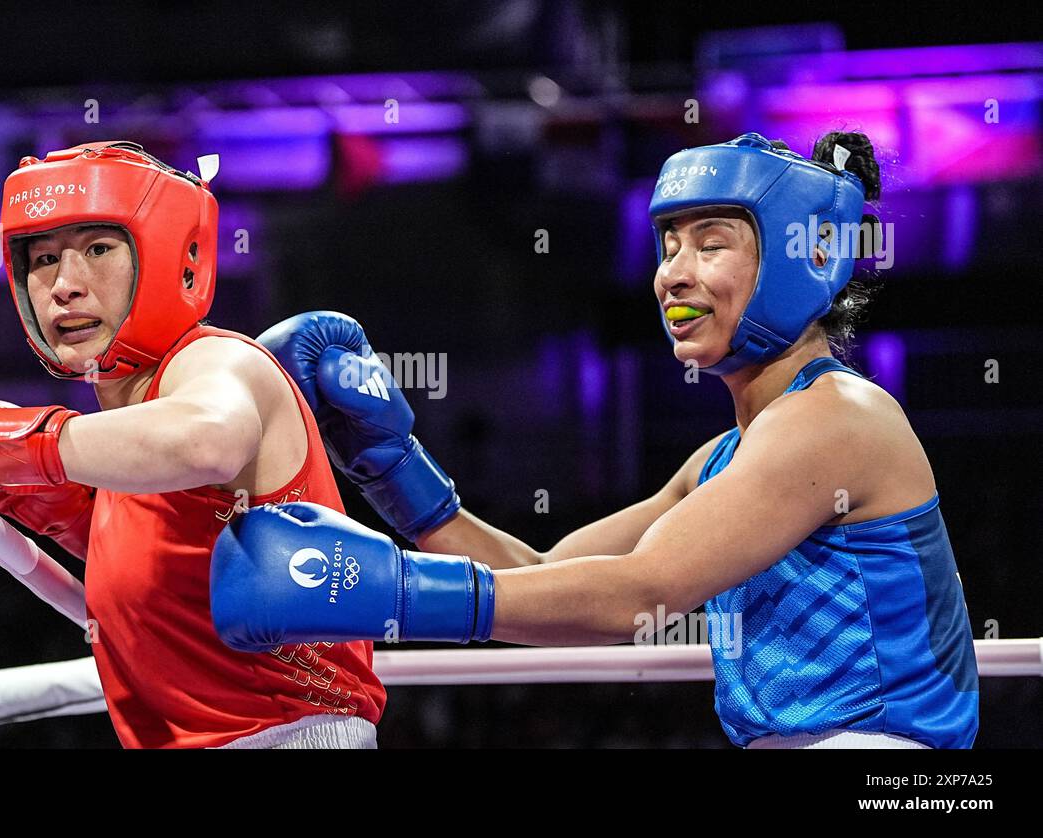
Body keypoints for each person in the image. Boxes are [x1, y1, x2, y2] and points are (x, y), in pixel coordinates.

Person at [213, 132, 979, 749]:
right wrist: (391, 467)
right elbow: (541, 576)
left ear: (807, 257)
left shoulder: (838, 417)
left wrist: (386, 594)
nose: (673, 274)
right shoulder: (721, 461)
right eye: (669, 244)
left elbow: (639, 596)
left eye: (710, 244)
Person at [0, 140, 386, 748]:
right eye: (42, 259)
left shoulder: (215, 360)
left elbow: (206, 439)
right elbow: (184, 585)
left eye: (98, 249)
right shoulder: (123, 451)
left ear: (173, 255)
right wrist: (46, 505)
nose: (64, 286)